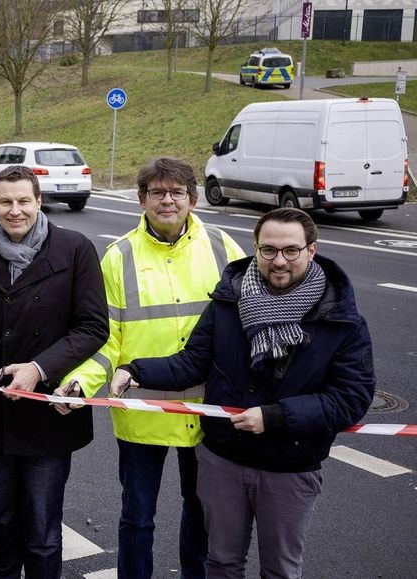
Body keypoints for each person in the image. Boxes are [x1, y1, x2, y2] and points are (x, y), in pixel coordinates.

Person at [111, 208, 374, 579]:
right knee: (221, 564)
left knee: (279, 570)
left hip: (288, 465)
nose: (278, 261)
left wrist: (275, 417)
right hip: (224, 459)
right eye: (268, 250)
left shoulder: (340, 318)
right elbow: (192, 362)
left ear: (311, 250)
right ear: (255, 249)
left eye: (291, 250)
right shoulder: (228, 301)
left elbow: (351, 398)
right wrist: (136, 370)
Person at [55, 158, 244, 579]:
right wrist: (80, 382)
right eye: (157, 192)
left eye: (177, 192)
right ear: (141, 200)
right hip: (142, 412)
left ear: (193, 199)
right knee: (137, 516)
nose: (167, 200)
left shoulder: (223, 247)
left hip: (208, 410)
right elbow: (106, 338)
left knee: (202, 513)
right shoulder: (118, 257)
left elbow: (245, 324)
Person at [0, 165, 108, 579]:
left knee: (42, 533)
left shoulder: (75, 249)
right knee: (3, 522)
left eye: (24, 200)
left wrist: (39, 369)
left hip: (47, 412)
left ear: (39, 202)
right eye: (6, 201)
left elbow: (93, 326)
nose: (15, 210)